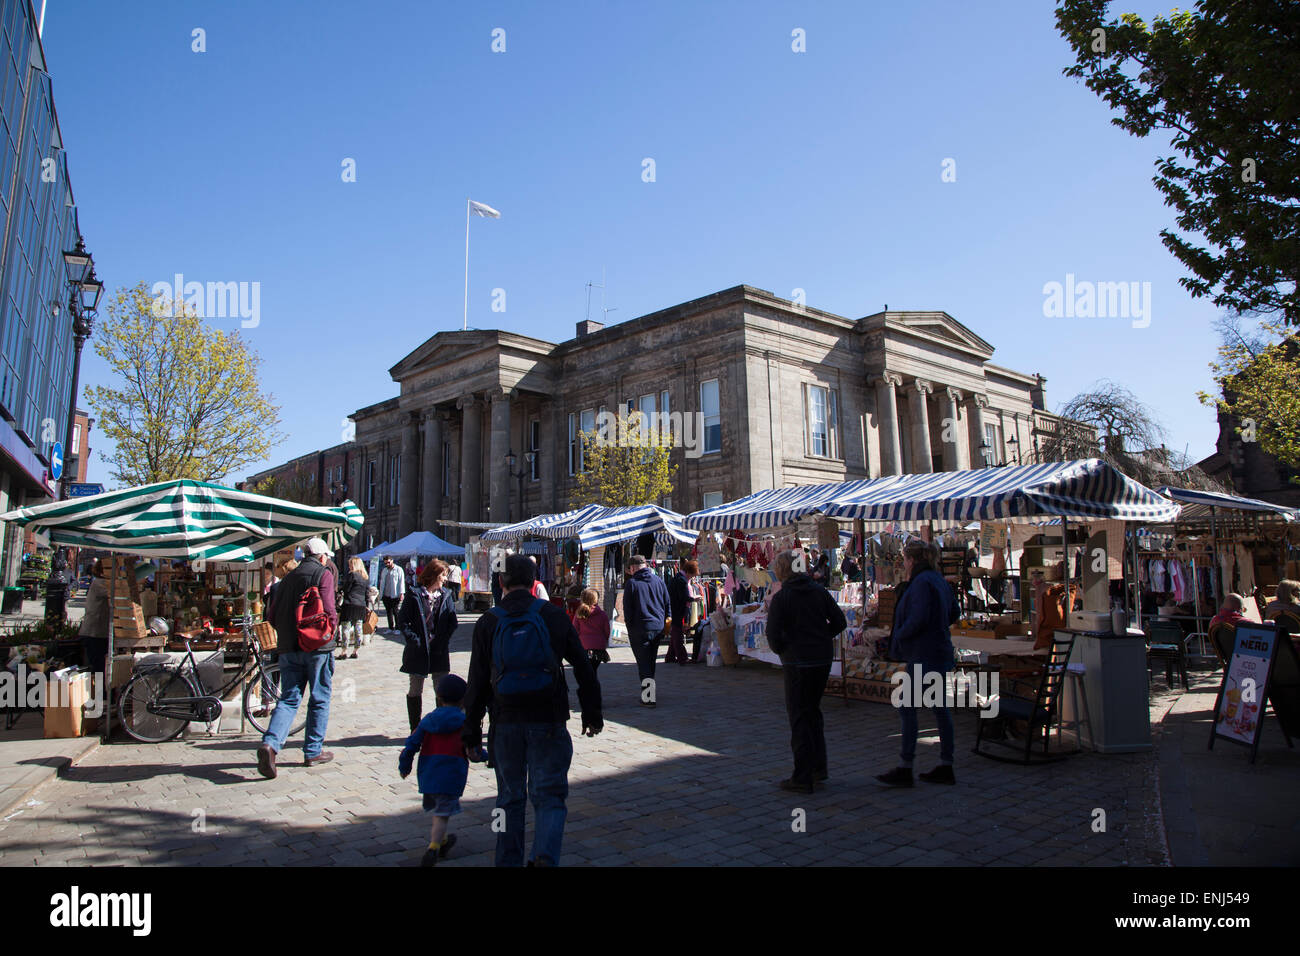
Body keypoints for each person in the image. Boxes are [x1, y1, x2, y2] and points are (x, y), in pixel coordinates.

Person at [461, 555, 603, 867]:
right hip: (548, 717)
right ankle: (544, 857)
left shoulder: (489, 621)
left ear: (501, 583)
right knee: (550, 796)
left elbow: (477, 683)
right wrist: (592, 712)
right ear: (535, 580)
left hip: (505, 721)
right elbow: (583, 666)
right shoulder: (553, 615)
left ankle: (507, 860)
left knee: (508, 799)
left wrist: (471, 731)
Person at [877, 539, 957, 787]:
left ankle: (906, 766)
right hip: (937, 650)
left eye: (905, 560)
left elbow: (919, 617)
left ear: (911, 560)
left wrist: (900, 633)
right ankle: (946, 764)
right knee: (939, 708)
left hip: (925, 653)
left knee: (907, 706)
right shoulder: (938, 580)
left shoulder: (922, 583)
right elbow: (954, 612)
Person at [766, 550, 847, 794]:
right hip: (820, 660)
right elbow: (840, 622)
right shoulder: (818, 591)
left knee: (800, 716)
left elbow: (773, 635)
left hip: (797, 663)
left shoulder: (783, 597)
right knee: (812, 713)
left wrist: (784, 649)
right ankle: (818, 768)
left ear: (781, 571)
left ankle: (802, 775)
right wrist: (821, 638)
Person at [257, 537, 339, 777]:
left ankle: (271, 745)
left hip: (288, 648)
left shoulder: (285, 580)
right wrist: (328, 633)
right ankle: (313, 750)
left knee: (289, 698)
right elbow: (330, 610)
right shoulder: (323, 575)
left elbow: (271, 616)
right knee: (319, 697)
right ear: (322, 557)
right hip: (316, 647)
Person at [399, 674, 481, 867]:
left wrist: (405, 765)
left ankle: (443, 842)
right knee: (442, 814)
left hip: (428, 774)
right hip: (451, 774)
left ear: (439, 697)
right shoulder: (464, 722)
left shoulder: (428, 720)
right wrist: (486, 756)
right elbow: (474, 749)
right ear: (463, 699)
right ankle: (434, 847)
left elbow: (411, 744)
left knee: (438, 811)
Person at [398, 559, 459, 732]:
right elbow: (403, 621)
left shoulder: (446, 595)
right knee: (415, 689)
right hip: (418, 651)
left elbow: (452, 622)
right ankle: (415, 728)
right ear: (433, 575)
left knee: (441, 689)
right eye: (443, 575)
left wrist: (443, 640)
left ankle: (441, 726)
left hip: (438, 650)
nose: (445, 579)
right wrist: (414, 640)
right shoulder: (414, 594)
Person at [622, 555, 671, 705]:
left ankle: (649, 696)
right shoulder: (659, 581)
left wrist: (630, 627)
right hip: (657, 626)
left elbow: (628, 610)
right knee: (650, 661)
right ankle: (649, 691)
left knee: (644, 662)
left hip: (640, 628)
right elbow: (667, 603)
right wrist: (666, 620)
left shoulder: (632, 583)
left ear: (633, 568)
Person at [77, 559, 110, 673]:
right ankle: (99, 691)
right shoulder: (100, 583)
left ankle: (100, 689)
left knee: (100, 666)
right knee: (98, 667)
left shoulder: (101, 582)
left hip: (99, 632)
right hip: (94, 632)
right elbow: (115, 592)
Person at [666, 559, 700, 665]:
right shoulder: (681, 580)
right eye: (693, 575)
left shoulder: (677, 578)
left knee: (676, 633)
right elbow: (683, 597)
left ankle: (670, 656)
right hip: (677, 609)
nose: (692, 577)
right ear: (689, 572)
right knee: (677, 634)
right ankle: (682, 657)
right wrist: (694, 598)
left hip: (674, 609)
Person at [337, 557, 370, 660]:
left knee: (346, 627)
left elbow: (346, 589)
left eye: (350, 564)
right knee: (358, 628)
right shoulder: (365, 577)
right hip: (361, 605)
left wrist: (341, 590)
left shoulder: (352, 575)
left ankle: (344, 651)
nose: (349, 566)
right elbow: (367, 594)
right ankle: (356, 650)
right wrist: (366, 606)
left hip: (350, 603)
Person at [573, 587, 611, 675]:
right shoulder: (602, 614)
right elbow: (607, 631)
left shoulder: (579, 613)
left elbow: (575, 630)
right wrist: (604, 641)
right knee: (593, 670)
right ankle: (593, 686)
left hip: (583, 646)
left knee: (585, 672)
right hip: (598, 648)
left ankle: (587, 687)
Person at [379, 556, 405, 631]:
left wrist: (401, 593)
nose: (387, 564)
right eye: (385, 563)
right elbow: (382, 582)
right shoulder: (384, 570)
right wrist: (380, 594)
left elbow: (401, 582)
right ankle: (390, 627)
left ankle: (398, 627)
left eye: (388, 562)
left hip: (395, 594)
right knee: (388, 611)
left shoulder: (398, 569)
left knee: (395, 611)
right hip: (386, 594)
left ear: (392, 561)